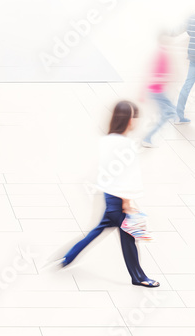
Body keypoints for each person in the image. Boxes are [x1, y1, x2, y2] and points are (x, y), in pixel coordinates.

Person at [60, 101, 159, 288]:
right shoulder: (127, 145)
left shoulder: (107, 141)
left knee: (99, 230)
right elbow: (128, 175)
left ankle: (68, 257)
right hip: (121, 199)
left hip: (110, 195)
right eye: (135, 117)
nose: (137, 120)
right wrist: (127, 202)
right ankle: (139, 277)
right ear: (130, 120)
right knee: (129, 239)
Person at [142, 30, 186, 148]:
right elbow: (153, 75)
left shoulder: (161, 52)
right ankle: (147, 137)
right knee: (168, 113)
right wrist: (167, 78)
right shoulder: (162, 54)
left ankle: (176, 116)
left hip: (158, 90)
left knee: (170, 112)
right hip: (157, 91)